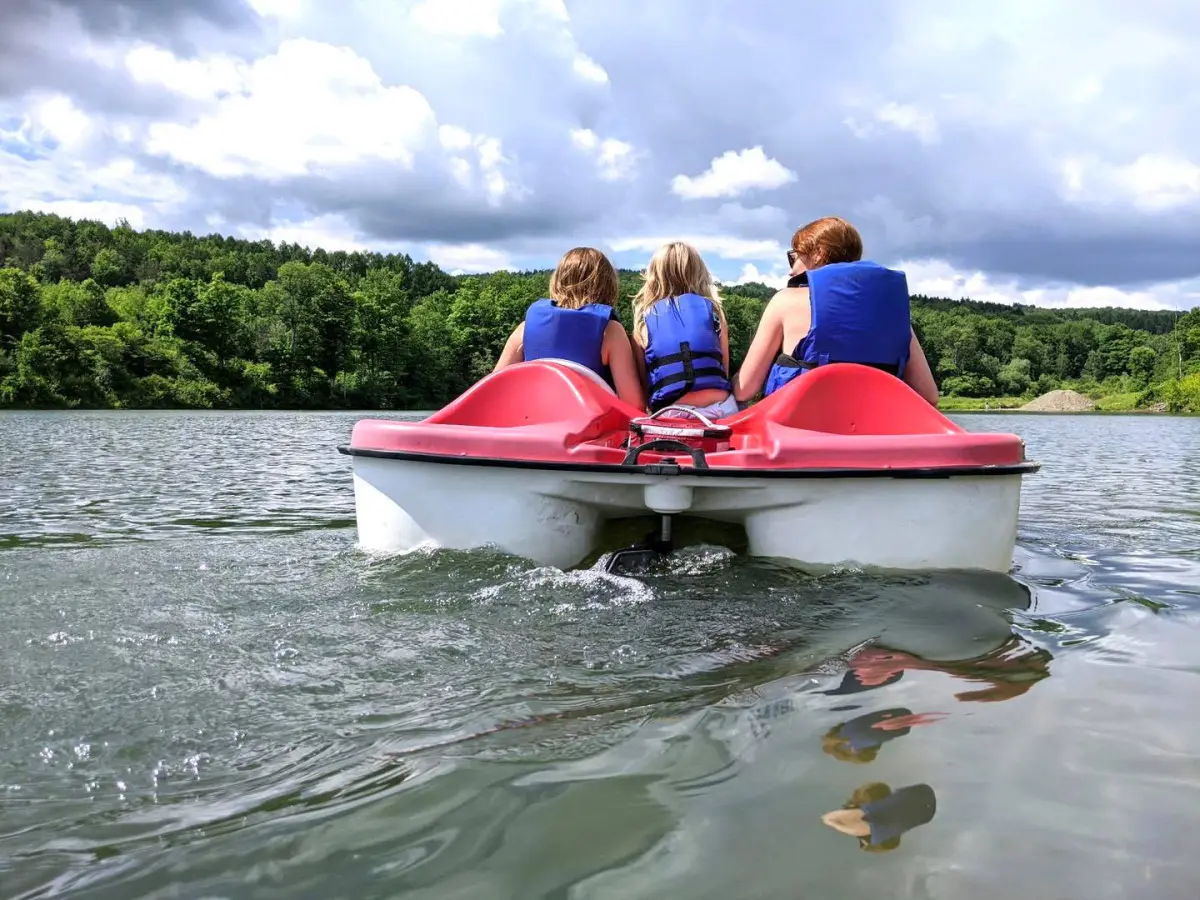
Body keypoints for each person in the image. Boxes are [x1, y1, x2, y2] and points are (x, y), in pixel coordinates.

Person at [731, 216, 939, 406]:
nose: (791, 269)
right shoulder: (892, 313)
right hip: (873, 435)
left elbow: (745, 389)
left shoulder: (786, 300)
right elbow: (929, 395)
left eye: (794, 257)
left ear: (818, 253)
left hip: (802, 434)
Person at [494, 247, 645, 410]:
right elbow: (633, 404)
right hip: (588, 428)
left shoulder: (524, 329)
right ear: (608, 286)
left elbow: (494, 387)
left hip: (532, 424)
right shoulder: (610, 330)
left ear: (558, 281)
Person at [631, 242, 738, 419]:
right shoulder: (714, 314)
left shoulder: (643, 325)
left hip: (671, 413)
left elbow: (645, 385)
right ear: (699, 274)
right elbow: (723, 371)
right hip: (720, 409)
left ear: (654, 277)